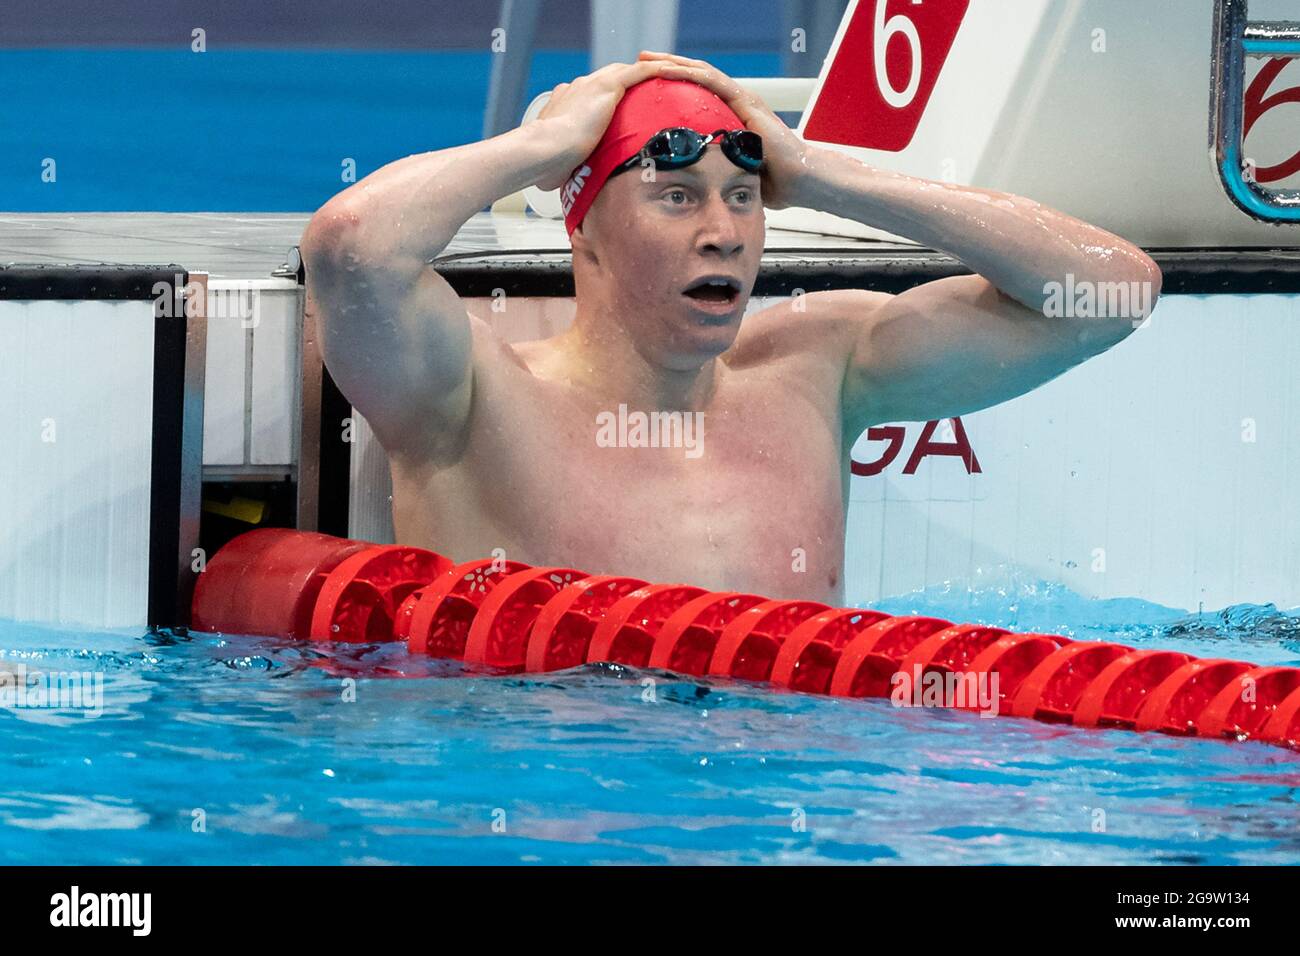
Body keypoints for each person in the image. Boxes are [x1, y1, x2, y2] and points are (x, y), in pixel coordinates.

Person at [300, 52, 1160, 604]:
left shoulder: (816, 371)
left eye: (743, 196)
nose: (725, 230)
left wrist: (825, 175)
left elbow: (1116, 293)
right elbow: (348, 250)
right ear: (585, 227)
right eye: (676, 196)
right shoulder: (476, 399)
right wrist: (549, 146)